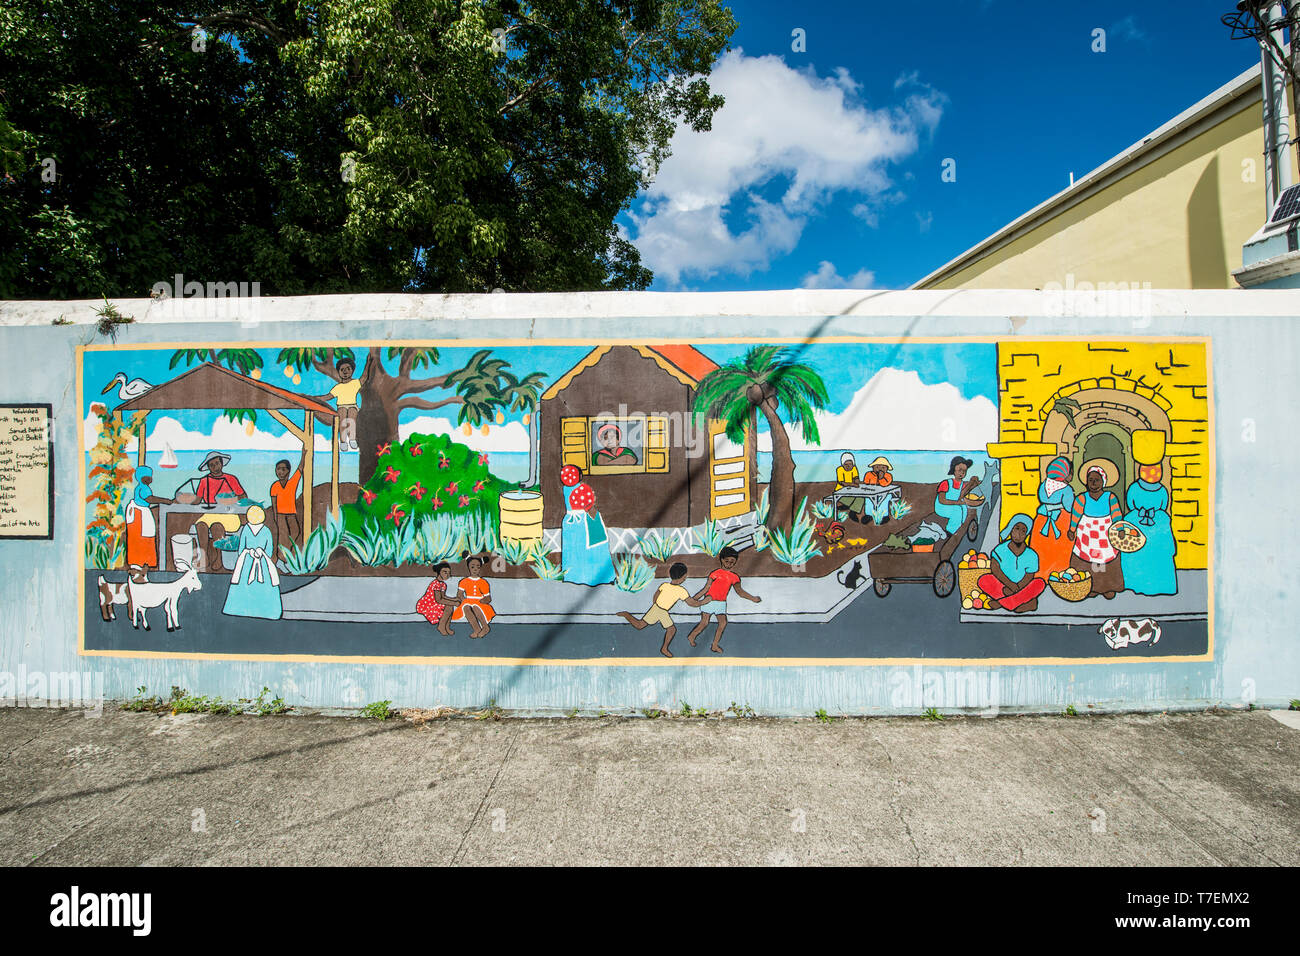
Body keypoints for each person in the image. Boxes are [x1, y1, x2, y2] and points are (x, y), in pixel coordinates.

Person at [685, 547, 761, 654]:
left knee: (723, 623)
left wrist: (753, 598)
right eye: (727, 561)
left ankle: (714, 645)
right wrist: (695, 598)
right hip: (709, 600)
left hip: (721, 603)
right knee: (704, 622)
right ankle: (692, 636)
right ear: (721, 559)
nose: (729, 564)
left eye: (732, 562)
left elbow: (740, 592)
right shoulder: (714, 574)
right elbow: (706, 589)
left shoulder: (734, 577)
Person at [1067, 463, 1125, 599]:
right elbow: (1075, 515)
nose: (1093, 483)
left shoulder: (1110, 497)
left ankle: (1108, 587)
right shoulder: (1081, 498)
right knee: (1088, 562)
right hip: (1086, 534)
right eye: (1090, 480)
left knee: (1106, 561)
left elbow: (1116, 514)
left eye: (1097, 480)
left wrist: (1120, 528)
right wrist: (1072, 529)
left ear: (1103, 482)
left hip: (1105, 534)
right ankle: (1091, 586)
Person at [618, 562, 697, 658]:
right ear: (682, 577)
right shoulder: (681, 590)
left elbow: (656, 595)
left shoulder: (664, 585)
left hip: (658, 608)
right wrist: (703, 602)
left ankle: (627, 615)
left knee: (641, 625)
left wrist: (656, 605)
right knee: (670, 629)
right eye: (685, 576)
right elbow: (691, 603)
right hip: (660, 610)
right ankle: (664, 648)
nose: (685, 578)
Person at [1121, 463, 1178, 595]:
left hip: (1145, 520)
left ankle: (1137, 585)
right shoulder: (1159, 494)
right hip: (1146, 520)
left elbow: (1130, 501)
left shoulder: (1135, 489)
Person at [977, 513, 1047, 613]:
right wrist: (1011, 586)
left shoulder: (1031, 555)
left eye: (1023, 531)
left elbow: (1029, 576)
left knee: (1039, 583)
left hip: (1021, 587)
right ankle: (1025, 604)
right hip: (1004, 587)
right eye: (1017, 528)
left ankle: (1002, 603)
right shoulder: (1000, 549)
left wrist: (1017, 588)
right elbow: (995, 569)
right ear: (1011, 529)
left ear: (1027, 534)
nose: (1019, 534)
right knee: (984, 580)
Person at [222, 505, 282, 620]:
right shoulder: (266, 530)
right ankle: (267, 612)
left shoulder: (246, 529)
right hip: (261, 562)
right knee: (265, 584)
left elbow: (241, 549)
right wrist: (260, 554)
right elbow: (269, 550)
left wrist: (249, 552)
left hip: (247, 562)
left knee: (242, 582)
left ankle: (238, 609)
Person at [559, 467, 616, 585]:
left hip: (570, 523)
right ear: (579, 476)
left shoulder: (566, 489)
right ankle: (596, 577)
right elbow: (589, 506)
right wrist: (594, 516)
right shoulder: (582, 489)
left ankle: (573, 577)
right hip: (584, 521)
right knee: (593, 548)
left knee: (572, 549)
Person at [1033, 456, 1076, 580]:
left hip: (1042, 520)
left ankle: (1041, 574)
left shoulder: (1043, 485)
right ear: (1064, 473)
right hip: (1060, 521)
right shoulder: (1067, 489)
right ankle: (1060, 573)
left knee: (1041, 548)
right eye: (1070, 473)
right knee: (1060, 549)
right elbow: (1069, 507)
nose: (1071, 476)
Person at [934, 456, 981, 537]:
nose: (962, 473)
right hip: (942, 507)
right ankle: (951, 531)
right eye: (960, 470)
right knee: (958, 510)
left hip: (955, 505)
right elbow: (942, 500)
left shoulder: (963, 484)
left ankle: (961, 528)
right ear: (954, 470)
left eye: (964, 471)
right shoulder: (946, 483)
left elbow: (961, 495)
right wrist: (957, 502)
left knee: (964, 508)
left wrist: (972, 482)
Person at [450, 555, 494, 638]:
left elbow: (488, 598)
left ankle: (485, 627)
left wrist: (482, 601)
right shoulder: (464, 581)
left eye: (478, 567)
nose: (475, 569)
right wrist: (464, 600)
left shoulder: (483, 582)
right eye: (472, 567)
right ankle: (477, 629)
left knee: (475, 607)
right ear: (469, 568)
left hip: (480, 602)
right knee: (466, 607)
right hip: (467, 601)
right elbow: (459, 594)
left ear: (480, 568)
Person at [268, 449, 305, 548]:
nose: (280, 472)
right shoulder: (274, 486)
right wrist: (276, 518)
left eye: (283, 469)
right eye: (278, 469)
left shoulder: (292, 483)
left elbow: (300, 469)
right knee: (282, 535)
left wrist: (304, 455)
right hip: (280, 515)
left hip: (291, 514)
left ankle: (288, 550)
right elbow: (274, 504)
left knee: (296, 532)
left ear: (288, 471)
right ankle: (283, 556)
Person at [124, 464, 158, 569]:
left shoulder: (143, 487)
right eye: (147, 476)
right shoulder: (143, 488)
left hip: (140, 514)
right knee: (141, 538)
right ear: (140, 477)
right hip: (139, 516)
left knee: (143, 537)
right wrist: (167, 501)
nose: (149, 479)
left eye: (150, 476)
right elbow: (150, 499)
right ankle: (141, 561)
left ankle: (143, 561)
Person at [416, 562, 462, 635]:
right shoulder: (436, 584)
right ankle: (441, 626)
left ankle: (446, 627)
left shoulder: (443, 584)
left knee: (450, 606)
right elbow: (439, 600)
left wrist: (454, 599)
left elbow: (443, 596)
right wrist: (454, 603)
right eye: (445, 572)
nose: (447, 575)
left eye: (449, 573)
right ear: (439, 572)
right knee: (449, 606)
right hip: (427, 604)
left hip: (435, 603)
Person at [329, 358, 361, 451]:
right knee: (342, 415)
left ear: (352, 370)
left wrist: (368, 363)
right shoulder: (338, 387)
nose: (345, 371)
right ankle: (343, 441)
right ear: (338, 372)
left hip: (352, 405)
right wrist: (314, 398)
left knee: (352, 414)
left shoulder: (355, 383)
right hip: (341, 406)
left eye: (348, 369)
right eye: (342, 370)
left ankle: (352, 438)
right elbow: (328, 396)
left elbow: (365, 376)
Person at [835, 452, 866, 521]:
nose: (848, 466)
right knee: (854, 496)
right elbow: (842, 482)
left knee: (861, 496)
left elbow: (856, 478)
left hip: (852, 489)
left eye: (850, 464)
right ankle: (846, 505)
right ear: (843, 464)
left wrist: (857, 481)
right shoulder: (839, 470)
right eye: (846, 464)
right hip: (841, 491)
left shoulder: (854, 468)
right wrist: (853, 484)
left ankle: (853, 512)